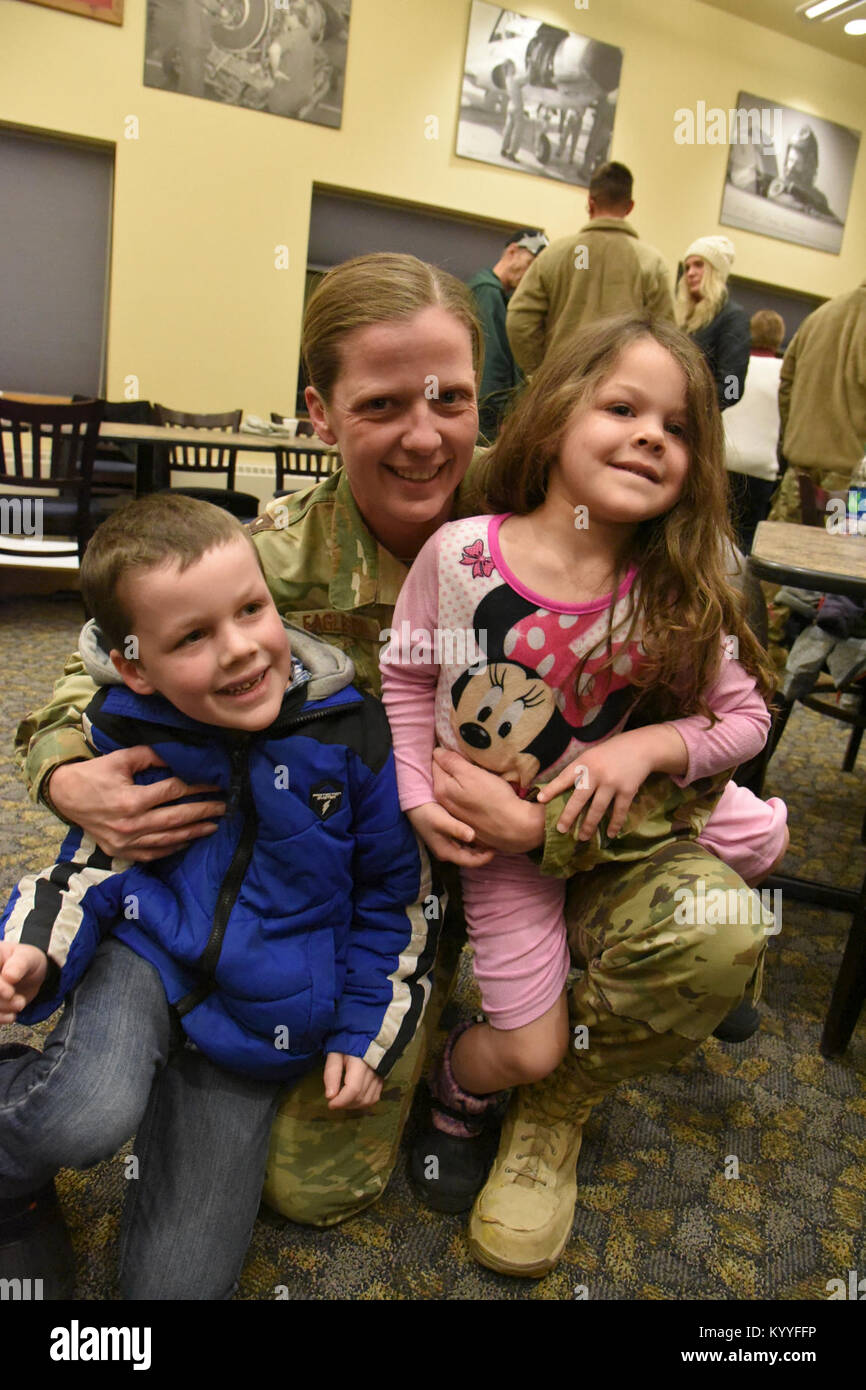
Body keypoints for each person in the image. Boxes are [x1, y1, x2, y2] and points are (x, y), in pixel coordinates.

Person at [13, 253, 781, 1274]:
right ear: (320, 415)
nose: (423, 436)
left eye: (450, 399)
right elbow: (93, 673)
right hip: (360, 897)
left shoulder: (563, 495)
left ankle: (547, 1101)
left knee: (716, 924)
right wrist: (68, 769)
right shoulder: (271, 561)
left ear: (488, 401)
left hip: (552, 856)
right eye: (381, 403)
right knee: (310, 1190)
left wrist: (549, 828)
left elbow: (719, 725)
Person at [380, 313, 787, 1219]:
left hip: (614, 813)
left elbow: (747, 719)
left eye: (678, 427)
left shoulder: (676, 584)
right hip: (507, 847)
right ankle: (458, 1082)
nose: (651, 434)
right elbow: (406, 676)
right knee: (530, 1051)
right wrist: (414, 786)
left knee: (762, 847)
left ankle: (710, 977)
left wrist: (649, 743)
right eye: (622, 408)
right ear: (558, 414)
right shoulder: (462, 556)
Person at [0, 494, 431, 1299]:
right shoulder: (132, 724)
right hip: (147, 958)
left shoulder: (358, 740)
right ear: (135, 665)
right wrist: (33, 945)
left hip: (262, 1017)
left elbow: (398, 904)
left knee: (178, 1290)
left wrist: (364, 1032)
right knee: (84, 1113)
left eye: (251, 611)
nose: (239, 651)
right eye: (192, 637)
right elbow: (84, 864)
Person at [505, 161, 674, 376]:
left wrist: (543, 371)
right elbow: (667, 338)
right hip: (621, 390)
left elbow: (519, 320)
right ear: (630, 207)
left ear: (590, 203)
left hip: (562, 388)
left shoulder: (554, 254)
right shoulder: (651, 263)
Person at [766, 280, 866, 525]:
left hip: (798, 482)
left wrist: (798, 436)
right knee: (847, 561)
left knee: (783, 558)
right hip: (855, 490)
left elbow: (786, 383)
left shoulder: (819, 316)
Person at [467, 228, 549, 441]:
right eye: (531, 265)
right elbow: (490, 365)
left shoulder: (501, 298)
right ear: (512, 252)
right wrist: (502, 414)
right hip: (487, 421)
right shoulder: (487, 292)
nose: (531, 276)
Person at [723, 309, 786, 552]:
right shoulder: (785, 374)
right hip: (761, 468)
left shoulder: (734, 368)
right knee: (746, 542)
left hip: (723, 459)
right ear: (779, 339)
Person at [675, 235, 750, 413]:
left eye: (699, 265)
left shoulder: (733, 318)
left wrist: (693, 406)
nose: (690, 273)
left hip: (698, 420)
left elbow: (732, 390)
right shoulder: (687, 320)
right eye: (687, 267)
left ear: (716, 271)